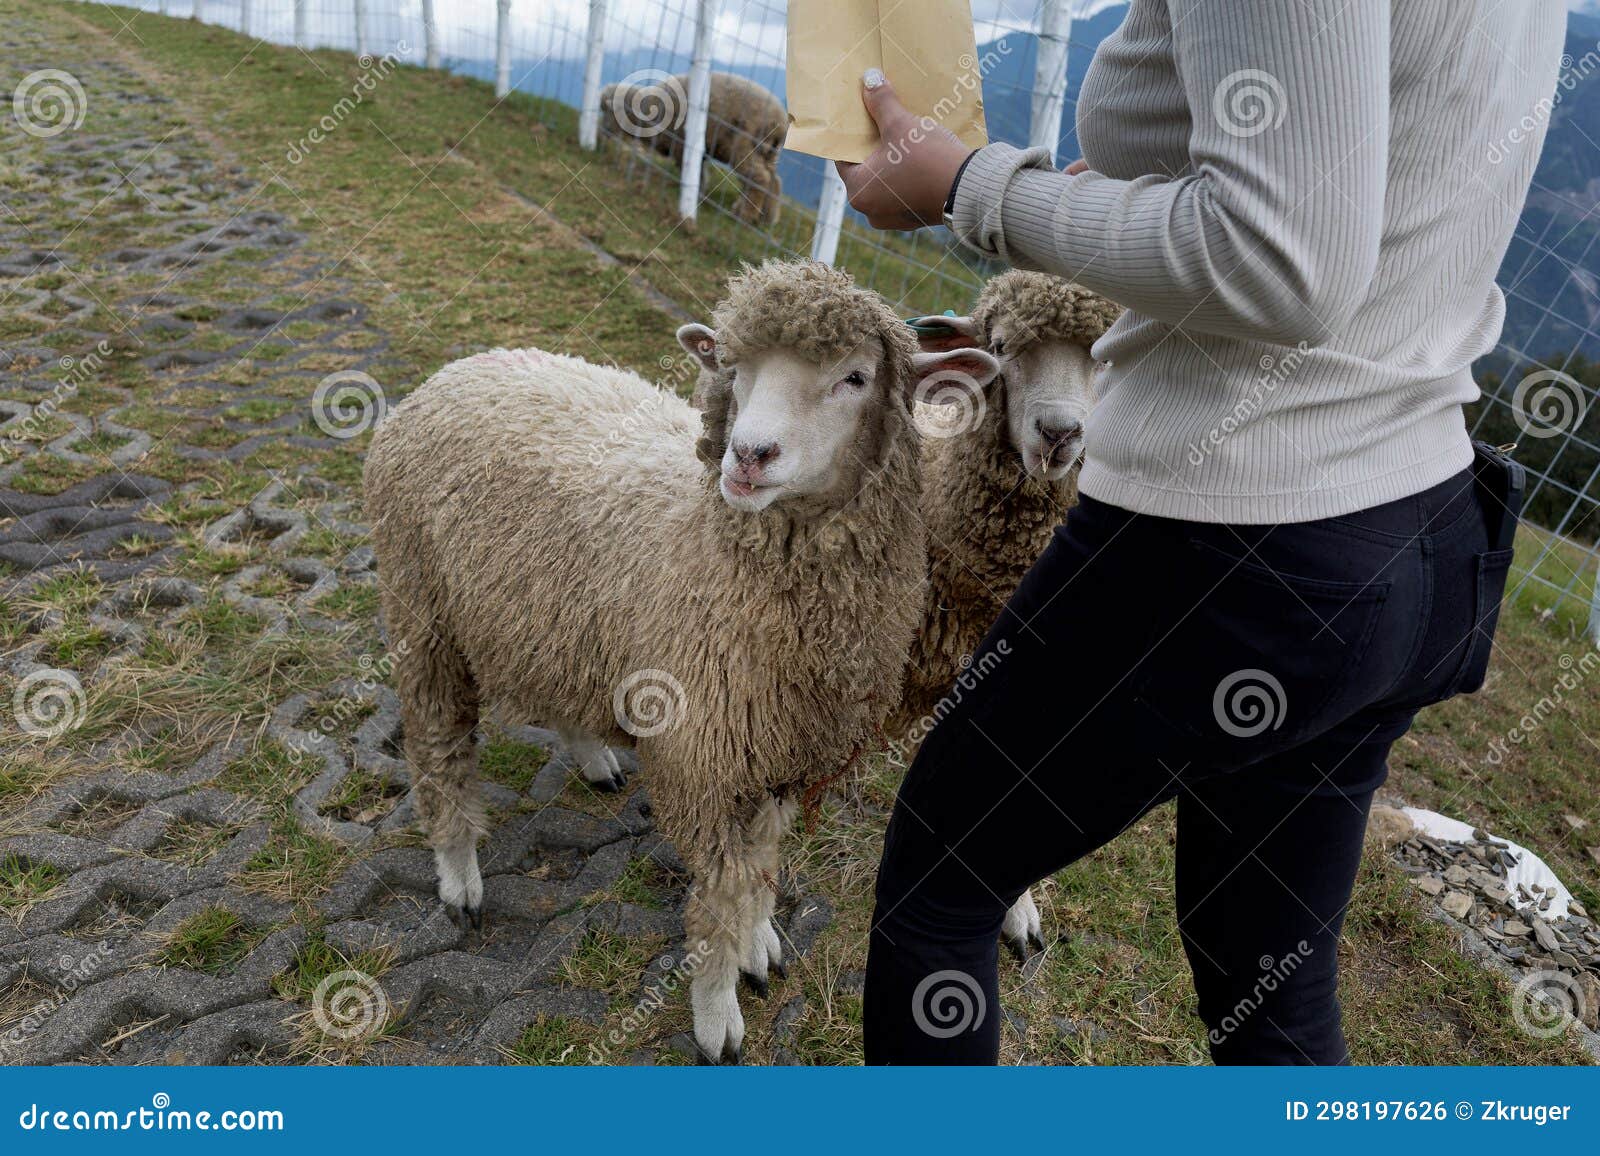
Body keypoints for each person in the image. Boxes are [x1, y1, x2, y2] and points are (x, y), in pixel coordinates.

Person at [836, 0, 1566, 1064]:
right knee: (1268, 981)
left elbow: (1283, 261)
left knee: (940, 886)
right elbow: (1390, 158)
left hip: (1234, 538)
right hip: (1417, 528)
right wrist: (1118, 203)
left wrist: (969, 187)